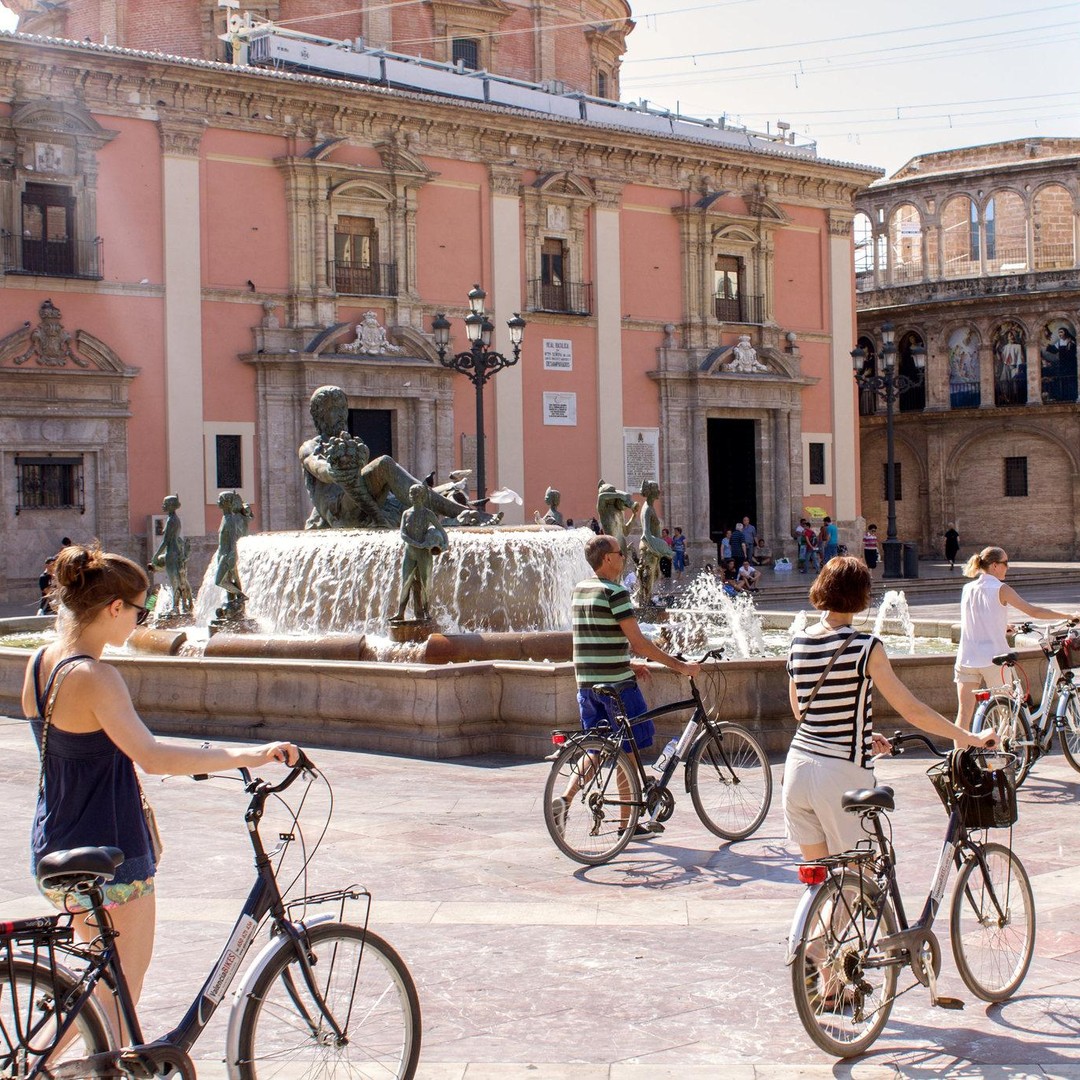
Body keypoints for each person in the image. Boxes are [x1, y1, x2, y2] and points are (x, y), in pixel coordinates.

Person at [22, 544, 297, 1033]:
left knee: (95, 990)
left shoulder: (40, 663)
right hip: (110, 853)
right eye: (139, 610)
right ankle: (59, 1066)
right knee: (119, 996)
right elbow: (152, 757)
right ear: (114, 608)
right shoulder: (96, 676)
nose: (140, 621)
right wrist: (250, 754)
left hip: (56, 843)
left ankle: (50, 1062)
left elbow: (78, 756)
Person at [784, 556, 997, 862]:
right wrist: (971, 738)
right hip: (840, 773)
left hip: (797, 770)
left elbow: (802, 711)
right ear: (861, 595)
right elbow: (912, 710)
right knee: (861, 872)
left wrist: (860, 733)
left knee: (821, 877)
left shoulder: (798, 641)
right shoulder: (864, 646)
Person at [552, 535, 700, 836]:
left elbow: (593, 637)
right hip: (617, 688)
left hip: (587, 686)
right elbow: (639, 642)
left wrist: (627, 662)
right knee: (628, 752)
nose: (624, 558)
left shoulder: (580, 590)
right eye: (620, 553)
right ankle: (626, 824)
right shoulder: (615, 592)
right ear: (607, 558)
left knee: (596, 749)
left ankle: (565, 799)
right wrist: (681, 667)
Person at [954, 546, 1080, 732]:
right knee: (1006, 714)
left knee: (963, 715)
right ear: (994, 565)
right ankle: (1004, 749)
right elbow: (1033, 611)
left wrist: (1001, 626)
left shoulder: (968, 588)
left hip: (966, 659)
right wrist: (1069, 616)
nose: (1008, 567)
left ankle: (960, 750)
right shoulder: (1001, 588)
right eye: (1005, 563)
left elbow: (975, 618)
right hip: (994, 659)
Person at [393, 483, 449, 622]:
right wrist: (417, 544)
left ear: (422, 496)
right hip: (410, 553)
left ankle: (426, 612)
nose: (413, 496)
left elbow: (441, 531)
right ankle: (400, 613)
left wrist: (445, 544)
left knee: (425, 583)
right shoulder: (406, 513)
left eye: (416, 494)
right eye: (411, 494)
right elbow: (403, 534)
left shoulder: (428, 514)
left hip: (424, 554)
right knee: (406, 582)